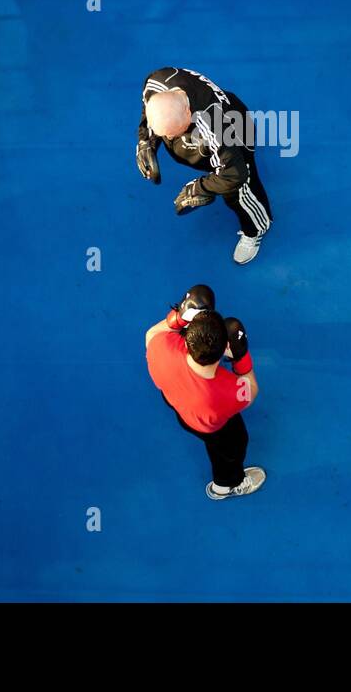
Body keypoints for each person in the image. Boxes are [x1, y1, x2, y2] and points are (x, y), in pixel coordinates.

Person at [137, 66, 274, 264]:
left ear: (188, 111)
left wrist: (199, 188)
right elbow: (150, 111)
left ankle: (256, 228)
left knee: (239, 190)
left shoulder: (215, 123)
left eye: (172, 133)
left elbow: (235, 174)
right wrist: (146, 142)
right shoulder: (156, 83)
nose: (167, 138)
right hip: (201, 143)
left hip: (236, 138)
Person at [145, 285, 265, 499]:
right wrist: (240, 356)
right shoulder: (227, 392)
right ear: (224, 351)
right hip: (210, 425)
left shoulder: (160, 347)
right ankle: (225, 486)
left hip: (176, 402)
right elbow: (251, 390)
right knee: (233, 448)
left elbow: (153, 332)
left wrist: (179, 317)